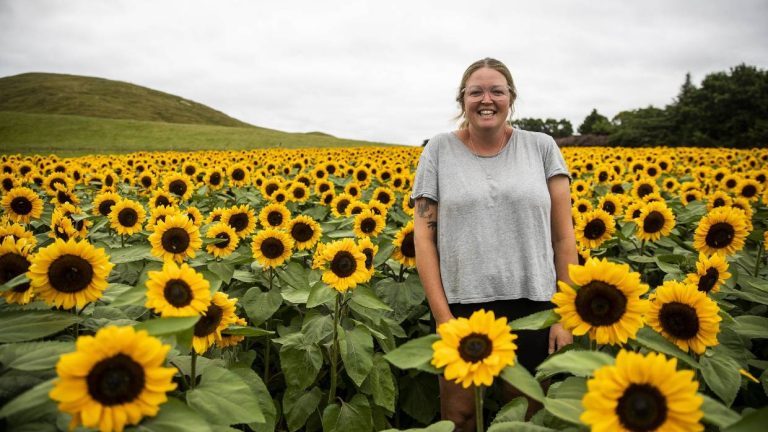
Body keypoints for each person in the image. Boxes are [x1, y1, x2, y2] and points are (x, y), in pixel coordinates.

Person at [411, 57, 577, 430]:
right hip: (461, 304)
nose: (487, 99)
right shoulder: (438, 150)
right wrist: (443, 319)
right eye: (476, 92)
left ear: (511, 98)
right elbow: (424, 237)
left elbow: (564, 236)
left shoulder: (542, 147)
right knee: (460, 416)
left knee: (525, 415)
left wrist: (565, 316)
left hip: (534, 304)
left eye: (496, 91)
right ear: (462, 100)